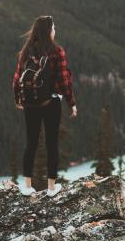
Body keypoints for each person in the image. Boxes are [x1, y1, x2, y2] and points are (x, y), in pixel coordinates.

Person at [11, 15, 78, 196]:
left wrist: (19, 99)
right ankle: (51, 188)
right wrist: (71, 103)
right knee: (51, 143)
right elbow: (65, 81)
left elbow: (17, 79)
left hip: (30, 104)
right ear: (48, 31)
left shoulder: (25, 52)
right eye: (54, 27)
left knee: (31, 143)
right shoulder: (56, 51)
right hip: (51, 103)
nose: (55, 30)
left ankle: (26, 186)